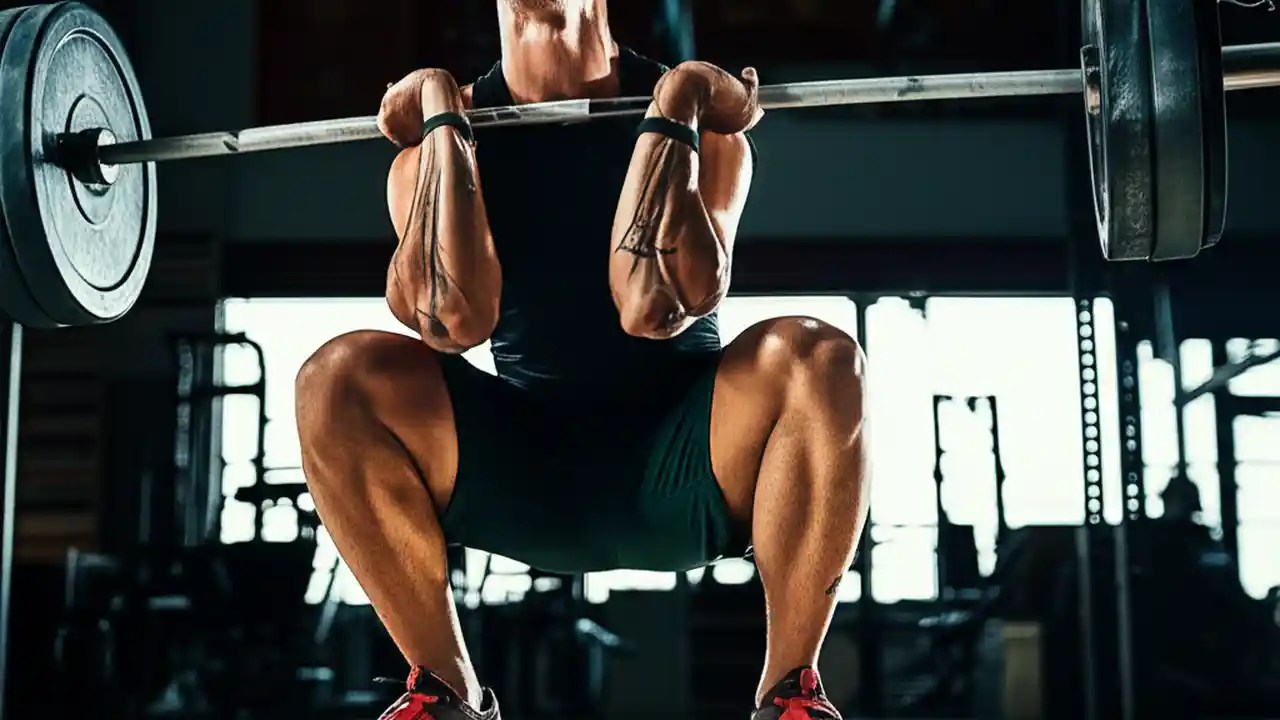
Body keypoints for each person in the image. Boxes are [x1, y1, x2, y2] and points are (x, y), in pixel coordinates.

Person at [294, 1, 869, 718]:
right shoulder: (431, 149)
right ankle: (446, 693)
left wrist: (681, 94)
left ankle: (791, 693)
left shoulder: (711, 134)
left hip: (693, 470)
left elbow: (652, 305)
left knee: (819, 355)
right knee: (336, 379)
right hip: (528, 475)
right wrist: (443, 111)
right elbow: (451, 322)